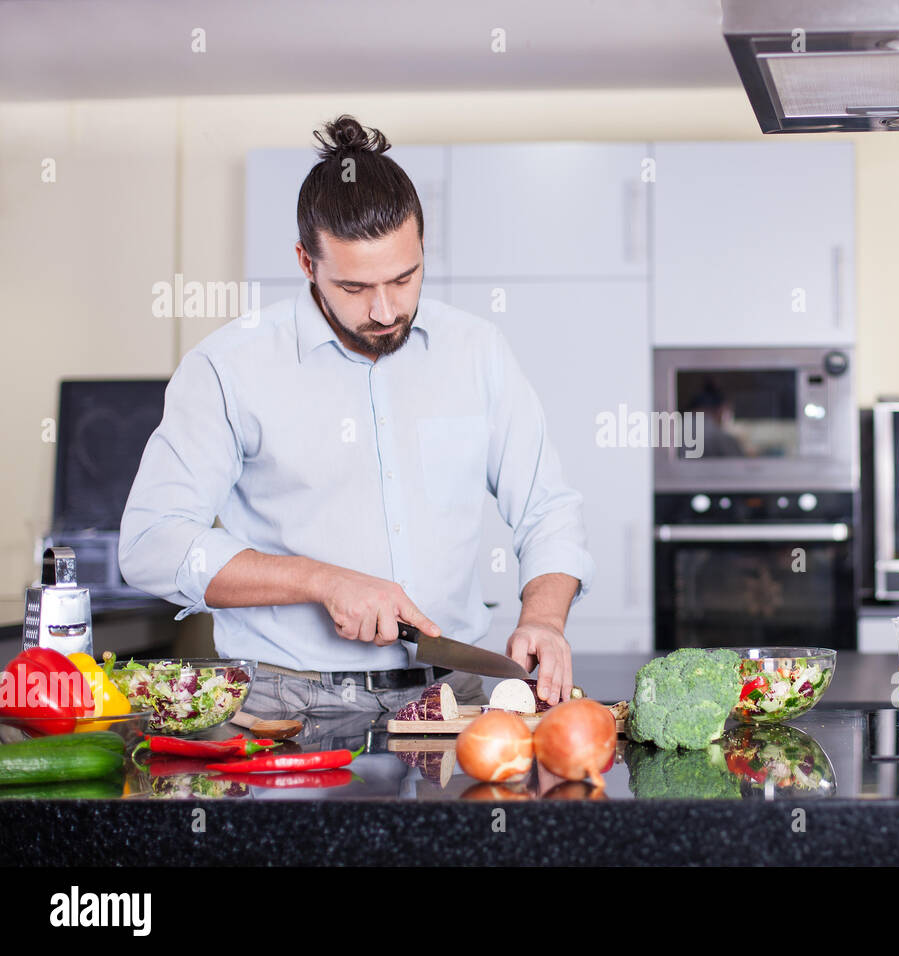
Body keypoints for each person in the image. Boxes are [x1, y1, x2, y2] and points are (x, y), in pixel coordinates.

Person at [119, 115, 593, 719]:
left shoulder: (478, 351)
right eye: (354, 286)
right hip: (285, 702)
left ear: (423, 246)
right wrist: (321, 581)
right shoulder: (227, 367)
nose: (385, 309)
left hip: (458, 691)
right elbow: (150, 542)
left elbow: (547, 507)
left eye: (405, 276)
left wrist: (546, 620)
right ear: (305, 262)